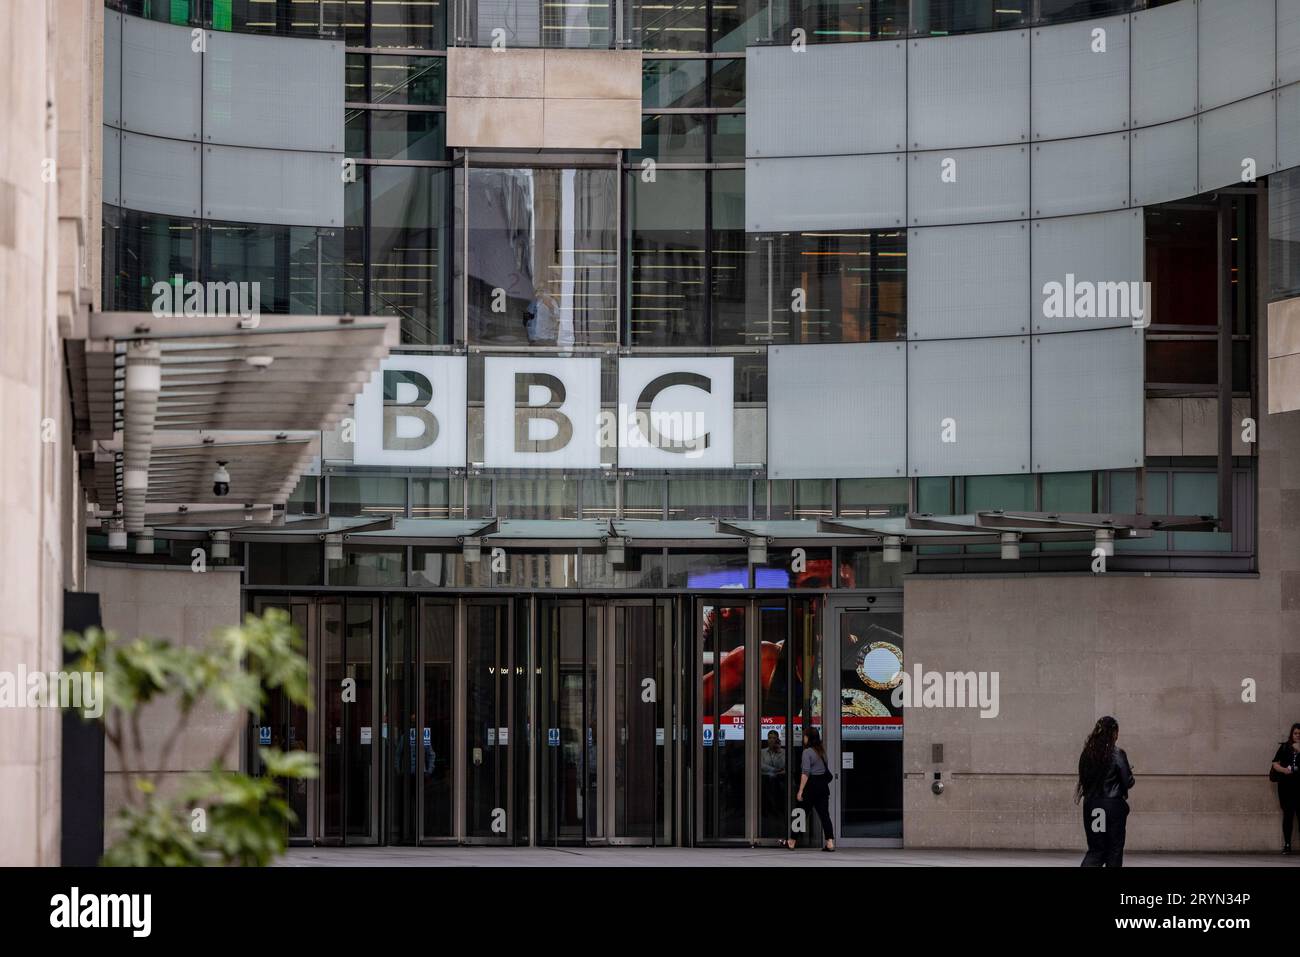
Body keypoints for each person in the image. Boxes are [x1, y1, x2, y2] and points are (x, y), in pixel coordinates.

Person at [1076, 715, 1135, 867]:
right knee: (1114, 850)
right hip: (1112, 806)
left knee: (1096, 850)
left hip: (1091, 805)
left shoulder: (1087, 754)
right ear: (1113, 733)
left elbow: (1084, 780)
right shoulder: (1117, 753)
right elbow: (1128, 782)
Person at [786, 726, 834, 851]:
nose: (803, 738)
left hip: (810, 787)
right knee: (824, 815)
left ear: (808, 738)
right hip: (823, 787)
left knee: (800, 814)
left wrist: (800, 790)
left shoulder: (807, 752)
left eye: (805, 736)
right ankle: (830, 842)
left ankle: (792, 841)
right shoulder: (822, 751)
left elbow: (805, 773)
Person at [1270, 723, 1300, 853]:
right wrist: (1283, 770)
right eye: (1295, 733)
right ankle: (1287, 845)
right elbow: (1275, 763)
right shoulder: (1284, 747)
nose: (1298, 736)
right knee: (1288, 816)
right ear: (1291, 734)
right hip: (1286, 787)